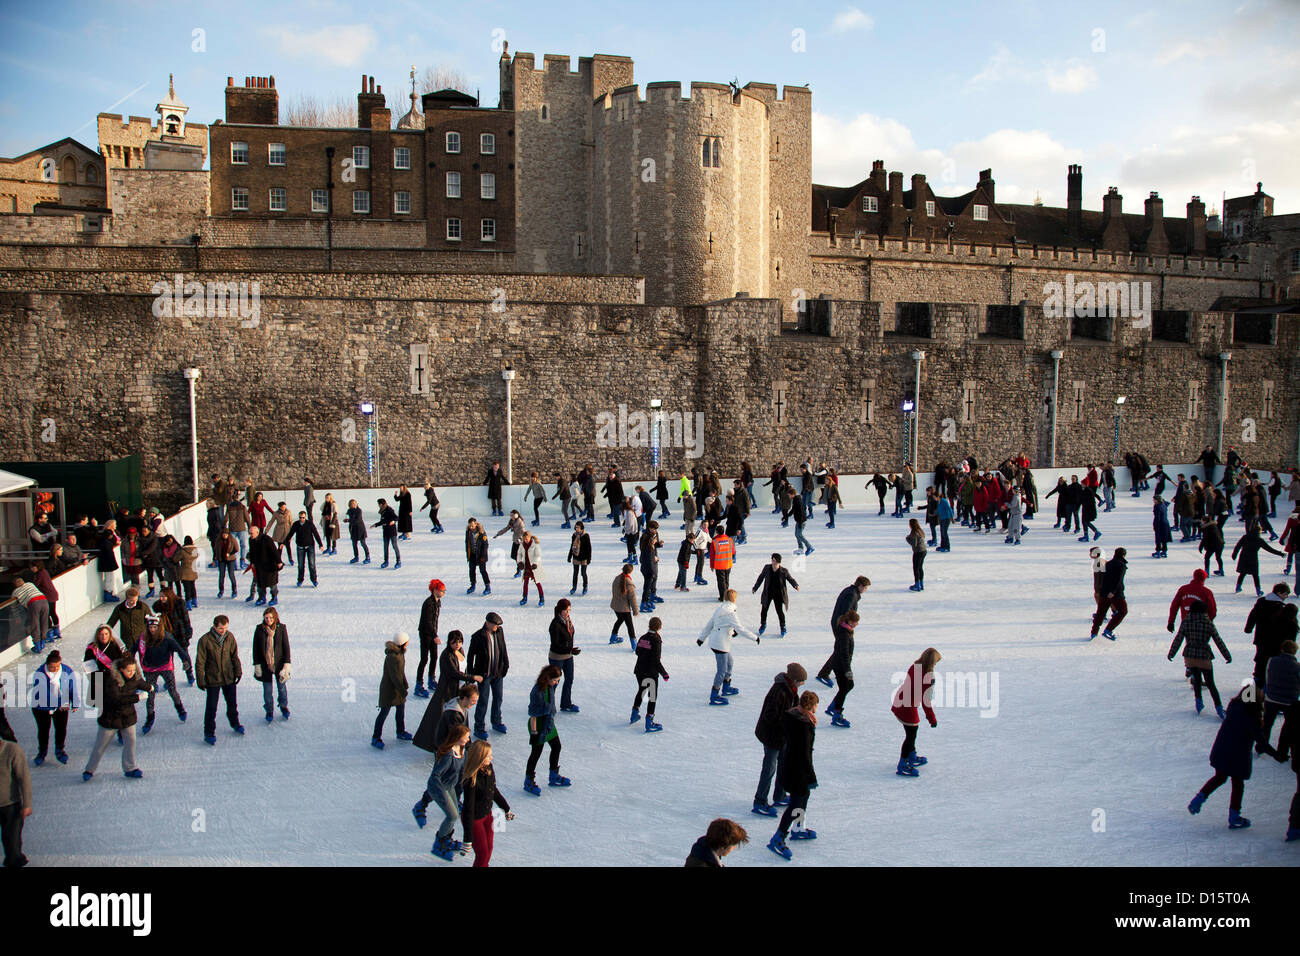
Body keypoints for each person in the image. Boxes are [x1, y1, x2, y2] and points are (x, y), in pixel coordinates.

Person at [1187, 685, 1276, 829]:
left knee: (1219, 778)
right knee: (1238, 784)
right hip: (1238, 756)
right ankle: (1234, 816)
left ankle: (1197, 800)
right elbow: (1262, 742)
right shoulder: (1251, 716)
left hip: (1222, 750)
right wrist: (1277, 755)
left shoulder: (1234, 706)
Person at [767, 690, 819, 860]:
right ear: (810, 707)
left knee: (803, 797)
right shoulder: (804, 726)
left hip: (789, 767)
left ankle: (798, 828)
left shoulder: (792, 716)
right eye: (816, 705)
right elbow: (805, 754)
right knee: (796, 801)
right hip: (798, 771)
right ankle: (778, 837)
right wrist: (811, 776)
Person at [82, 655, 149, 781]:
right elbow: (116, 699)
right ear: (122, 669)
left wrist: (149, 687)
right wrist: (138, 698)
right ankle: (89, 769)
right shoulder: (112, 681)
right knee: (100, 746)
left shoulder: (133, 677)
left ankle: (130, 768)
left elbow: (140, 682)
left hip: (127, 717)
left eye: (134, 670)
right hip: (110, 718)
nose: (132, 673)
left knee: (131, 742)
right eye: (129, 670)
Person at [753, 662, 805, 816]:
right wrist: (788, 722)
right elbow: (770, 716)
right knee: (769, 769)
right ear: (795, 680)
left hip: (782, 736)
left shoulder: (791, 690)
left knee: (784, 764)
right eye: (802, 681)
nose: (803, 684)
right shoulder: (780, 691)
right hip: (771, 736)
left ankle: (780, 795)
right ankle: (760, 801)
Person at [1167, 600, 1232, 717]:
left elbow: (1178, 639)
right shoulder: (1208, 623)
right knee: (1211, 683)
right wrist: (1227, 655)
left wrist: (1172, 653)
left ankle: (1198, 703)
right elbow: (1218, 641)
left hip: (1190, 656)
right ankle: (1218, 707)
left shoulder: (1186, 622)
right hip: (1204, 656)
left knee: (1196, 680)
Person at [417, 723, 471, 862]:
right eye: (466, 737)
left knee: (456, 812)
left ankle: (447, 839)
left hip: (449, 786)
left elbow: (462, 769)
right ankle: (438, 843)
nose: (468, 739)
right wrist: (441, 795)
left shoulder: (462, 749)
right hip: (438, 788)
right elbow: (436, 776)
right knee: (452, 816)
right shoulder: (448, 755)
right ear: (458, 737)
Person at [697, 589, 760, 705]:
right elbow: (740, 629)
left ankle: (726, 686)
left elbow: (713, 624)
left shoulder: (720, 609)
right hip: (720, 645)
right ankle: (714, 695)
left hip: (717, 641)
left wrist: (701, 638)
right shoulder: (730, 613)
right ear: (734, 599)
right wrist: (755, 637)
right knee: (722, 670)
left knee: (730, 663)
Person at [460, 739, 513, 866]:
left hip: (487, 816)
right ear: (480, 757)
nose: (491, 758)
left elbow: (493, 790)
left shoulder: (488, 768)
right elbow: (468, 808)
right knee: (482, 854)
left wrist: (506, 808)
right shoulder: (471, 780)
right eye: (488, 756)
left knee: (488, 849)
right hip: (474, 820)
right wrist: (467, 838)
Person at [194, 614, 244, 746]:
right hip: (213, 678)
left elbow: (234, 656)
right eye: (221, 628)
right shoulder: (205, 640)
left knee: (232, 704)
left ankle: (235, 723)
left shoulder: (230, 637)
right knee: (211, 707)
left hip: (228, 677)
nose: (223, 631)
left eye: (225, 628)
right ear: (214, 626)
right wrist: (200, 679)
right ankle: (209, 732)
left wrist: (238, 671)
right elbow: (200, 662)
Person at [137, 614, 192, 733]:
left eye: (155, 628)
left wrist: (185, 660)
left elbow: (179, 649)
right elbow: (133, 649)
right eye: (150, 627)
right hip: (150, 669)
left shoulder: (166, 637)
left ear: (159, 627)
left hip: (165, 667)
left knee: (172, 690)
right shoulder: (143, 638)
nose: (152, 630)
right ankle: (150, 718)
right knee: (150, 695)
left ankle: (180, 708)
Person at [892, 647, 941, 776]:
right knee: (911, 735)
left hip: (899, 701)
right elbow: (926, 702)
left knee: (911, 732)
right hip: (907, 707)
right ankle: (903, 764)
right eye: (935, 663)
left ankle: (912, 756)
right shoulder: (929, 678)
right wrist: (932, 719)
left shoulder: (915, 666)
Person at [523, 664, 570, 795]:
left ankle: (553, 775)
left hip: (548, 723)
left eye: (558, 680)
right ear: (547, 678)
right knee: (536, 753)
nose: (557, 682)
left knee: (557, 746)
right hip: (537, 725)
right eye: (555, 680)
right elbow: (533, 714)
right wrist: (534, 733)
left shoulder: (550, 687)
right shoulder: (537, 692)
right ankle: (528, 780)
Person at [815, 577, 871, 687]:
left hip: (839, 623)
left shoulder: (850, 591)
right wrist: (847, 627)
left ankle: (834, 671)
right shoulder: (852, 595)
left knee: (841, 649)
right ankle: (825, 673)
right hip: (841, 625)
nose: (866, 590)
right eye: (866, 588)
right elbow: (846, 613)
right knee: (842, 649)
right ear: (860, 586)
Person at [30, 650, 79, 765]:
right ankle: (42, 752)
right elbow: (43, 693)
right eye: (52, 667)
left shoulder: (67, 671)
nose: (55, 669)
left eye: (57, 666)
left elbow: (72, 687)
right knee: (43, 730)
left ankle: (60, 750)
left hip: (61, 706)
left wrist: (75, 702)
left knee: (61, 729)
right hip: (41, 707)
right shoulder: (40, 673)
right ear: (47, 665)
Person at [1245, 584, 1297, 687]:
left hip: (1260, 637)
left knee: (1260, 658)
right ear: (1279, 593)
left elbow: (1253, 615)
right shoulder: (1280, 607)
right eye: (1285, 594)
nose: (1286, 597)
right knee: (1270, 661)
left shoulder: (1262, 601)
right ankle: (1265, 682)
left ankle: (1257, 679)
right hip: (1273, 640)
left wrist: (1249, 628)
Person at [467, 613, 510, 740]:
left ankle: (496, 721)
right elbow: (470, 656)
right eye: (495, 624)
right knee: (483, 701)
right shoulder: (477, 636)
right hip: (484, 675)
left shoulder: (499, 632)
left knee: (498, 698)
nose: (497, 626)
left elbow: (503, 649)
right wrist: (472, 674)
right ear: (488, 623)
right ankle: (479, 726)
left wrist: (506, 665)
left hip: (498, 673)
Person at [371, 632, 412, 748]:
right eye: (407, 641)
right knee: (384, 713)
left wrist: (405, 684)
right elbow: (394, 676)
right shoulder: (392, 657)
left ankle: (401, 731)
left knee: (400, 711)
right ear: (403, 643)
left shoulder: (401, 654)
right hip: (389, 690)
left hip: (398, 689)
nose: (408, 643)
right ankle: (375, 737)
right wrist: (402, 690)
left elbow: (401, 672)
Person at [252, 607, 291, 722]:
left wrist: (287, 664)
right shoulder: (259, 629)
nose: (268, 620)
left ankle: (284, 707)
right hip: (265, 665)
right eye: (266, 618)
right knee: (267, 691)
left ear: (275, 618)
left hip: (279, 664)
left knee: (282, 688)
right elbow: (255, 649)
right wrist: (257, 665)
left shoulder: (281, 628)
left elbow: (286, 647)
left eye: (271, 618)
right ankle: (269, 710)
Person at [631, 616, 669, 733]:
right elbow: (655, 660)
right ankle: (649, 722)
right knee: (652, 696)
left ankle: (634, 714)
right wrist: (664, 673)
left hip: (639, 671)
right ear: (659, 627)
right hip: (650, 672)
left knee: (641, 691)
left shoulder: (643, 637)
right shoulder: (656, 639)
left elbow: (637, 651)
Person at [0, 731, 32, 867]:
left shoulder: (12, 750)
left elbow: (24, 778)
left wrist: (27, 804)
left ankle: (15, 861)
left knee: (12, 843)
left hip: (11, 805)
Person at [825, 610, 860, 727]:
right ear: (850, 621)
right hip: (840, 665)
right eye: (856, 622)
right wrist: (847, 671)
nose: (857, 624)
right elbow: (844, 653)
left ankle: (834, 707)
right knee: (846, 686)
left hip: (840, 664)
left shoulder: (846, 630)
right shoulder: (844, 634)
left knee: (847, 686)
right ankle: (836, 714)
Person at [752, 553, 799, 637]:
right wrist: (755, 587)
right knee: (764, 610)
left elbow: (790, 579)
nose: (773, 563)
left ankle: (783, 626)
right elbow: (761, 578)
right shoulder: (767, 568)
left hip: (778, 594)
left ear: (779, 562)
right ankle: (763, 624)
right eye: (772, 560)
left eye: (775, 561)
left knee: (779, 611)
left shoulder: (783, 571)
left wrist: (795, 585)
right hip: (768, 593)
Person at [549, 599, 581, 713]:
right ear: (560, 610)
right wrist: (570, 649)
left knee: (569, 679)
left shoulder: (567, 621)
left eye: (569, 610)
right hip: (557, 657)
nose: (568, 613)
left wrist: (570, 650)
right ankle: (549, 706)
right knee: (553, 682)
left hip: (568, 656)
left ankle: (566, 703)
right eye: (566, 610)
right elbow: (556, 644)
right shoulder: (555, 624)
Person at [1231, 527, 1283, 596]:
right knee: (1255, 575)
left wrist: (1234, 555)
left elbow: (1238, 546)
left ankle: (1238, 588)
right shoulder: (1259, 540)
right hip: (1253, 558)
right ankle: (1258, 591)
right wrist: (1280, 553)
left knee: (1242, 573)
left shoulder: (1245, 537)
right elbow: (1269, 549)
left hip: (1243, 557)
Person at [415, 579, 445, 698]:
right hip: (425, 634)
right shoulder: (428, 603)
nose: (443, 593)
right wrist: (434, 636)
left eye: (443, 591)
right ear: (435, 590)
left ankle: (431, 679)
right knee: (424, 659)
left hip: (432, 633)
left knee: (434, 656)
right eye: (441, 590)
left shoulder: (437, 602)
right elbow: (427, 622)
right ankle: (419, 685)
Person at [1089, 548, 1128, 641]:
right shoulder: (1121, 565)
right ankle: (1108, 630)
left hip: (1104, 592)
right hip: (1116, 594)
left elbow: (1103, 579)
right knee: (1123, 611)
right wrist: (1113, 592)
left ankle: (1094, 632)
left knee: (1100, 613)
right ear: (1123, 555)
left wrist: (1101, 591)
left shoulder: (1108, 564)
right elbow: (1118, 580)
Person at [1167, 568, 1218, 633]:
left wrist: (1171, 622)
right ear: (1204, 578)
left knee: (1189, 642)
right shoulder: (1207, 592)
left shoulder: (1183, 589)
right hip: (1202, 625)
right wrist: (1208, 622)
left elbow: (1174, 606)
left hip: (1186, 624)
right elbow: (1212, 610)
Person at [10, 575, 50, 654]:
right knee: (44, 621)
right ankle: (43, 641)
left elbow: (13, 606)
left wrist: (16, 616)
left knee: (34, 624)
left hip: (33, 603)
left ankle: (37, 644)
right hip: (44, 600)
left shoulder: (15, 592)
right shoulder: (30, 584)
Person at [685, 819, 749, 867]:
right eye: (734, 845)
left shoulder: (705, 853)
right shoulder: (700, 863)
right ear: (723, 847)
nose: (734, 848)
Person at [244, 524, 282, 607]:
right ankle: (262, 597)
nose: (250, 535)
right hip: (259, 565)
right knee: (260, 583)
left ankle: (274, 597)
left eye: (252, 533)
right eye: (249, 533)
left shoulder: (266, 539)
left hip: (269, 565)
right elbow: (252, 552)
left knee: (272, 583)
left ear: (257, 532)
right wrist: (253, 562)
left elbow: (274, 551)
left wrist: (279, 562)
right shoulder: (251, 540)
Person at [287, 510, 323, 587]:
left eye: (303, 517)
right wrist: (285, 542)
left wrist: (320, 544)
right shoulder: (296, 524)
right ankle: (300, 580)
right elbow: (290, 533)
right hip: (300, 547)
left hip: (310, 546)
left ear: (305, 517)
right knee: (300, 565)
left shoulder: (309, 524)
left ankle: (314, 580)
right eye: (300, 517)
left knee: (312, 564)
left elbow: (316, 534)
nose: (301, 519)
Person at [609, 564, 639, 646]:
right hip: (624, 608)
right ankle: (634, 645)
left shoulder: (617, 578)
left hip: (616, 606)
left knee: (620, 620)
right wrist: (635, 611)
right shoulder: (628, 583)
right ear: (631, 571)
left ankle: (613, 637)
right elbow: (632, 598)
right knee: (630, 626)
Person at [707, 526, 735, 601]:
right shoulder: (729, 540)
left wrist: (712, 566)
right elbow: (733, 551)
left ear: (716, 532)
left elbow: (712, 555)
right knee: (726, 580)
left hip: (719, 565)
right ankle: (728, 596)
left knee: (721, 582)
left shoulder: (715, 541)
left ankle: (723, 596)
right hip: (728, 564)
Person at [372, 499, 401, 569]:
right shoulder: (382, 511)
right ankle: (386, 561)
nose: (378, 506)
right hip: (385, 531)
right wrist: (375, 525)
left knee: (394, 545)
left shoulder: (389, 510)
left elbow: (397, 517)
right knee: (385, 547)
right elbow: (383, 521)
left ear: (381, 504)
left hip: (392, 531)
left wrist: (393, 521)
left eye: (378, 504)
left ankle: (398, 561)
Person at [465, 518, 491, 594]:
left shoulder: (482, 532)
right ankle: (473, 585)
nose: (471, 527)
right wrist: (468, 554)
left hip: (481, 555)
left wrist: (483, 556)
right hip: (472, 554)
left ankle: (487, 586)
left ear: (476, 524)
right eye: (469, 526)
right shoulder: (468, 532)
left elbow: (485, 545)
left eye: (472, 526)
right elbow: (467, 543)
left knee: (482, 570)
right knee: (471, 570)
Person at [519, 530, 545, 608]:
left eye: (527, 539)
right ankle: (524, 597)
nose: (525, 540)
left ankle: (541, 598)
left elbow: (538, 555)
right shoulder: (522, 545)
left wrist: (535, 563)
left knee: (537, 582)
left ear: (530, 538)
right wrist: (520, 562)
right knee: (525, 582)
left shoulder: (535, 545)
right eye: (524, 539)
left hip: (533, 567)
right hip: (526, 566)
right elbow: (519, 554)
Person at [567, 521, 592, 596]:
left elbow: (589, 548)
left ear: (581, 528)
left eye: (578, 527)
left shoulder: (586, 536)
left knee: (583, 573)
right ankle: (574, 587)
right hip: (576, 556)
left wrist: (589, 558)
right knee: (575, 573)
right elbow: (572, 546)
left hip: (584, 557)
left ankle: (585, 587)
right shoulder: (574, 535)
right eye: (576, 527)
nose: (577, 529)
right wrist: (569, 556)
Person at [215, 530, 239, 598]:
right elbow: (216, 549)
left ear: (228, 534)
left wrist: (230, 554)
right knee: (221, 575)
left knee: (231, 575)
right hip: (221, 560)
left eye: (226, 534)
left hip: (230, 559)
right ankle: (221, 590)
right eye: (223, 534)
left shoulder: (232, 540)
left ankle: (234, 590)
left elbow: (236, 549)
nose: (224, 535)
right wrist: (215, 558)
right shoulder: (218, 540)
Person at [905, 518, 927, 592]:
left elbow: (914, 544)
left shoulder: (914, 532)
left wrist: (908, 539)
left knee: (916, 568)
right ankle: (921, 584)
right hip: (923, 551)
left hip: (918, 552)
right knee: (920, 568)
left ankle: (917, 585)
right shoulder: (920, 530)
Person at [346, 499, 371, 564]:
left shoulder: (359, 510)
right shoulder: (349, 511)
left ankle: (367, 557)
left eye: (354, 504)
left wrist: (349, 520)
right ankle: (356, 557)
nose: (353, 505)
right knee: (354, 544)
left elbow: (358, 520)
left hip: (360, 529)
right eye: (352, 504)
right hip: (353, 529)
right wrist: (348, 520)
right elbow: (351, 519)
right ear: (349, 505)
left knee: (363, 543)